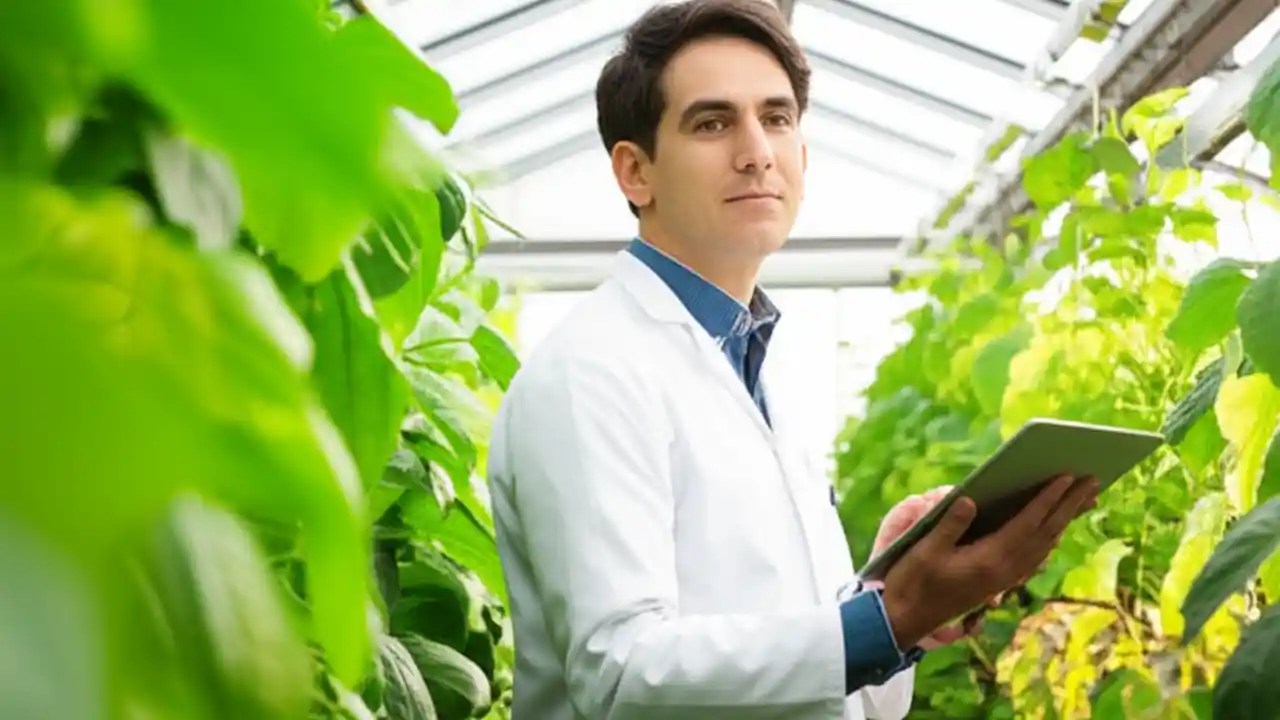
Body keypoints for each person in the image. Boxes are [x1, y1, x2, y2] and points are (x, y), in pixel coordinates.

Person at [484, 1, 1100, 718]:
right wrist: (886, 620)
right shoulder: (589, 373)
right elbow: (621, 675)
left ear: (803, 155)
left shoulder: (763, 365)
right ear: (635, 172)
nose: (757, 151)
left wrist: (884, 596)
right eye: (712, 123)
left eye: (776, 118)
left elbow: (829, 679)